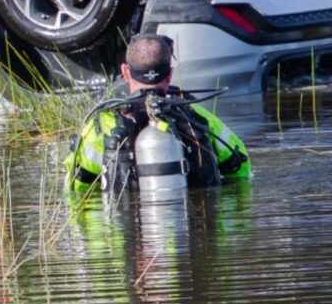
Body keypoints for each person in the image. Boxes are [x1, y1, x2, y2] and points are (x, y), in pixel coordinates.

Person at [65, 33, 250, 195]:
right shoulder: (197, 116)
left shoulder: (102, 125)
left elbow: (76, 187)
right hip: (193, 229)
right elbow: (241, 167)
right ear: (169, 74)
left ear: (125, 72)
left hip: (126, 231)